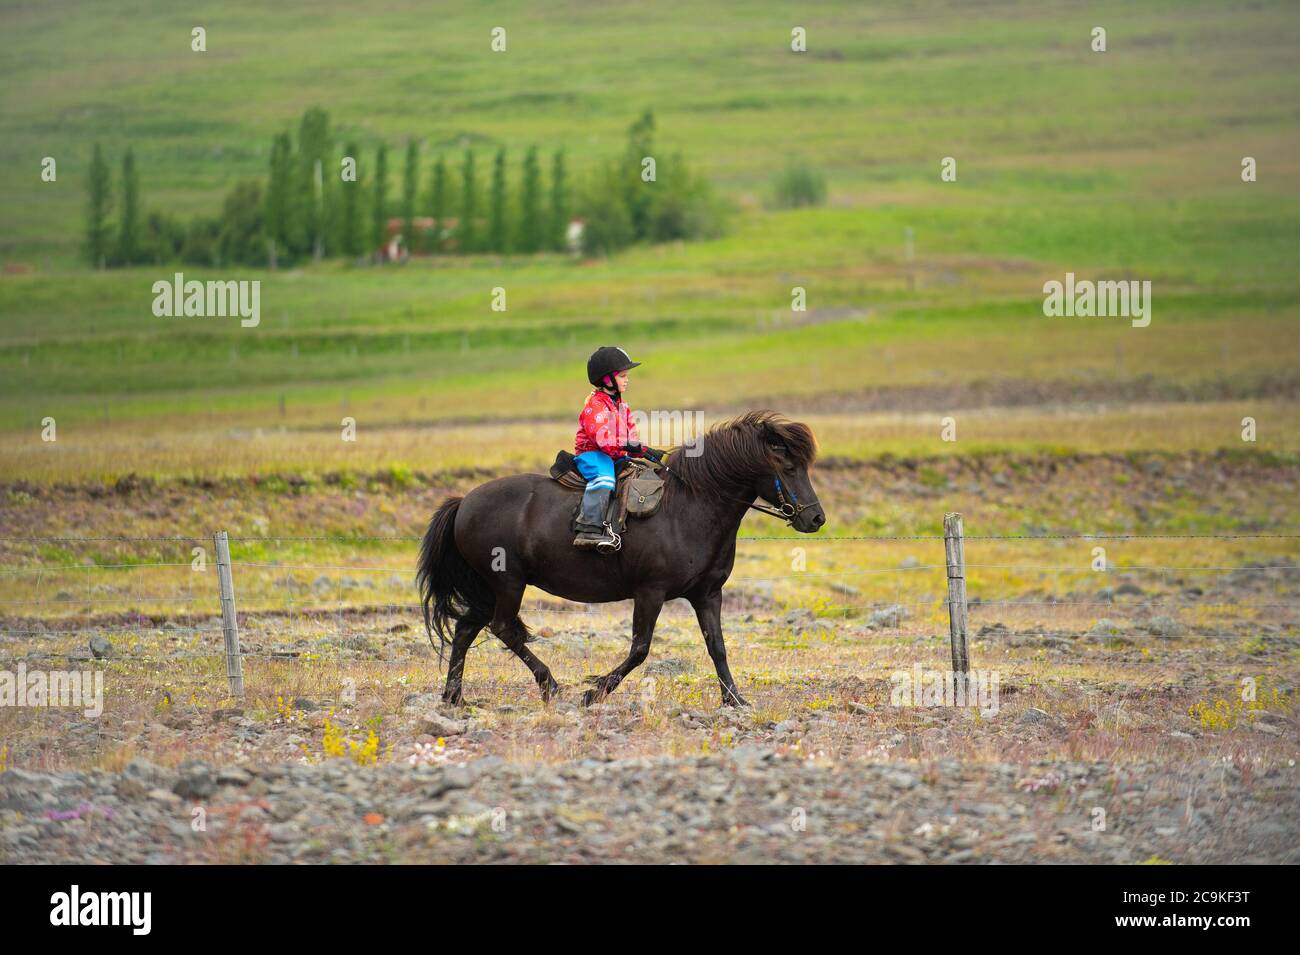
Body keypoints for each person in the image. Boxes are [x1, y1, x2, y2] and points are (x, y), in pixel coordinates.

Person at [573, 346, 664, 550]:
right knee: (604, 479)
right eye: (623, 376)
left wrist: (646, 451)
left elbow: (630, 437)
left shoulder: (623, 407)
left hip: (615, 456)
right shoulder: (594, 407)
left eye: (626, 376)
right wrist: (628, 445)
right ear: (607, 380)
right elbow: (603, 440)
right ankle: (588, 529)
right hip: (593, 455)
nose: (627, 379)